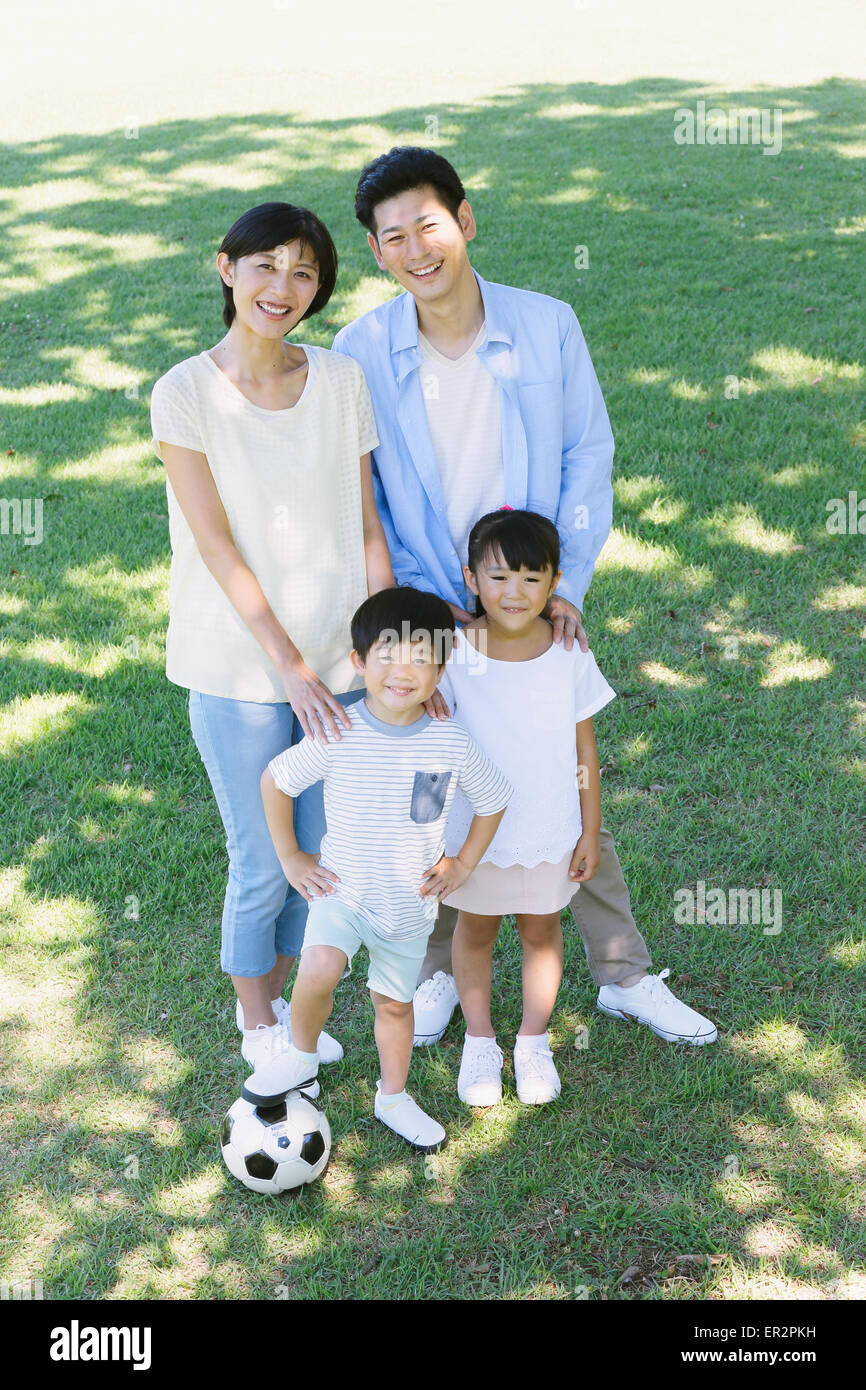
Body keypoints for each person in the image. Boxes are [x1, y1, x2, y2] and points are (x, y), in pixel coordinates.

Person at [332, 146, 717, 1048]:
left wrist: (563, 586)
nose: (416, 249)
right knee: (431, 788)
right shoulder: (360, 350)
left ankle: (623, 972)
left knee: (560, 776)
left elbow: (589, 456)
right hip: (436, 611)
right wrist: (416, 617)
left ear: (464, 220)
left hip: (531, 600)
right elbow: (368, 494)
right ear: (380, 254)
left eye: (429, 225)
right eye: (394, 238)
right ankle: (428, 979)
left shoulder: (547, 325)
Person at [149, 201, 394, 1090]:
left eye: (303, 272)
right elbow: (216, 546)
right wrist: (289, 670)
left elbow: (367, 523)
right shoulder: (184, 392)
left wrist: (384, 648)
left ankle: (292, 1013)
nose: (282, 287)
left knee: (324, 855)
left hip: (342, 665)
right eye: (265, 266)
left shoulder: (340, 383)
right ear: (226, 268)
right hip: (240, 670)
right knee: (263, 855)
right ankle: (256, 1022)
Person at [250, 588, 512, 1151]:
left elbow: (493, 799)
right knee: (319, 967)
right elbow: (276, 780)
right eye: (388, 656)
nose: (403, 671)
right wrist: (292, 857)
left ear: (441, 670)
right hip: (343, 892)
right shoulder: (340, 732)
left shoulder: (449, 741)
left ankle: (392, 1095)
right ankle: (300, 1057)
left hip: (408, 906)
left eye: (421, 659)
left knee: (395, 1007)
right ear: (359, 662)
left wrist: (463, 862)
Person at [439, 508, 614, 1106]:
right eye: (499, 577)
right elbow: (432, 748)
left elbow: (584, 748)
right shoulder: (453, 653)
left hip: (548, 826)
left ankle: (533, 1041)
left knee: (542, 931)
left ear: (555, 581)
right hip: (474, 836)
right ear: (470, 579)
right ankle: (480, 1041)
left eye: (532, 579)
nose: (515, 593)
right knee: (476, 930)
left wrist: (590, 830)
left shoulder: (569, 651)